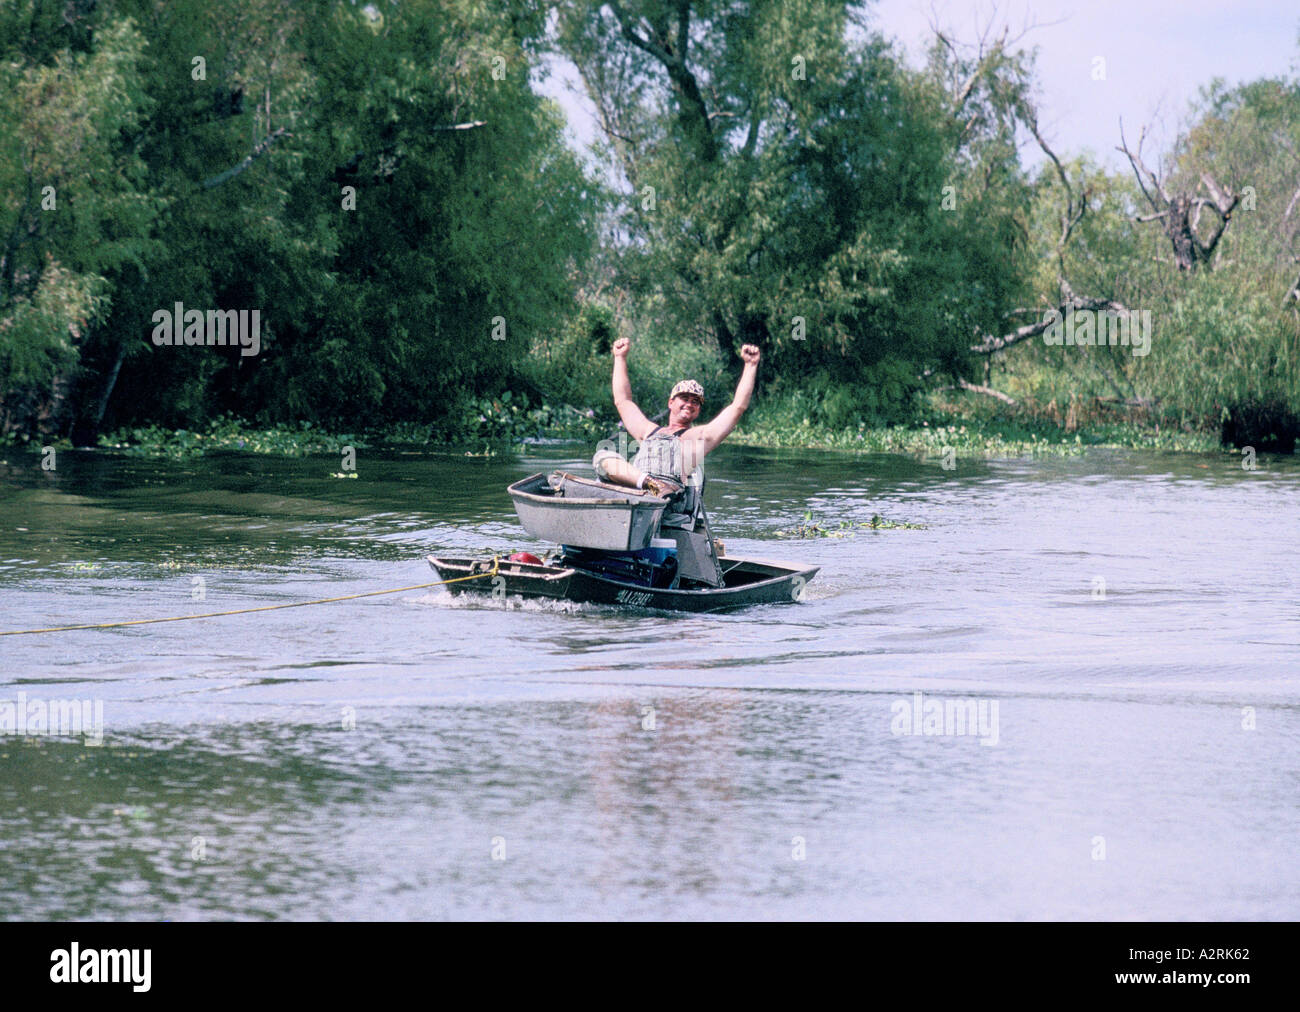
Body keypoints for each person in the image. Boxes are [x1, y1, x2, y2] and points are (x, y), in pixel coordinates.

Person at [593, 337, 761, 530]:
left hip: (668, 503)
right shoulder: (648, 431)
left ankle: (657, 488)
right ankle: (649, 484)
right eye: (684, 398)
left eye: (695, 401)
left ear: (698, 410)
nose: (690, 403)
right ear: (670, 403)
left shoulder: (698, 438)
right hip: (637, 491)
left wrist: (750, 365)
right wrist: (620, 357)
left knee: (606, 458)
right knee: (602, 456)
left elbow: (737, 407)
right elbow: (623, 401)